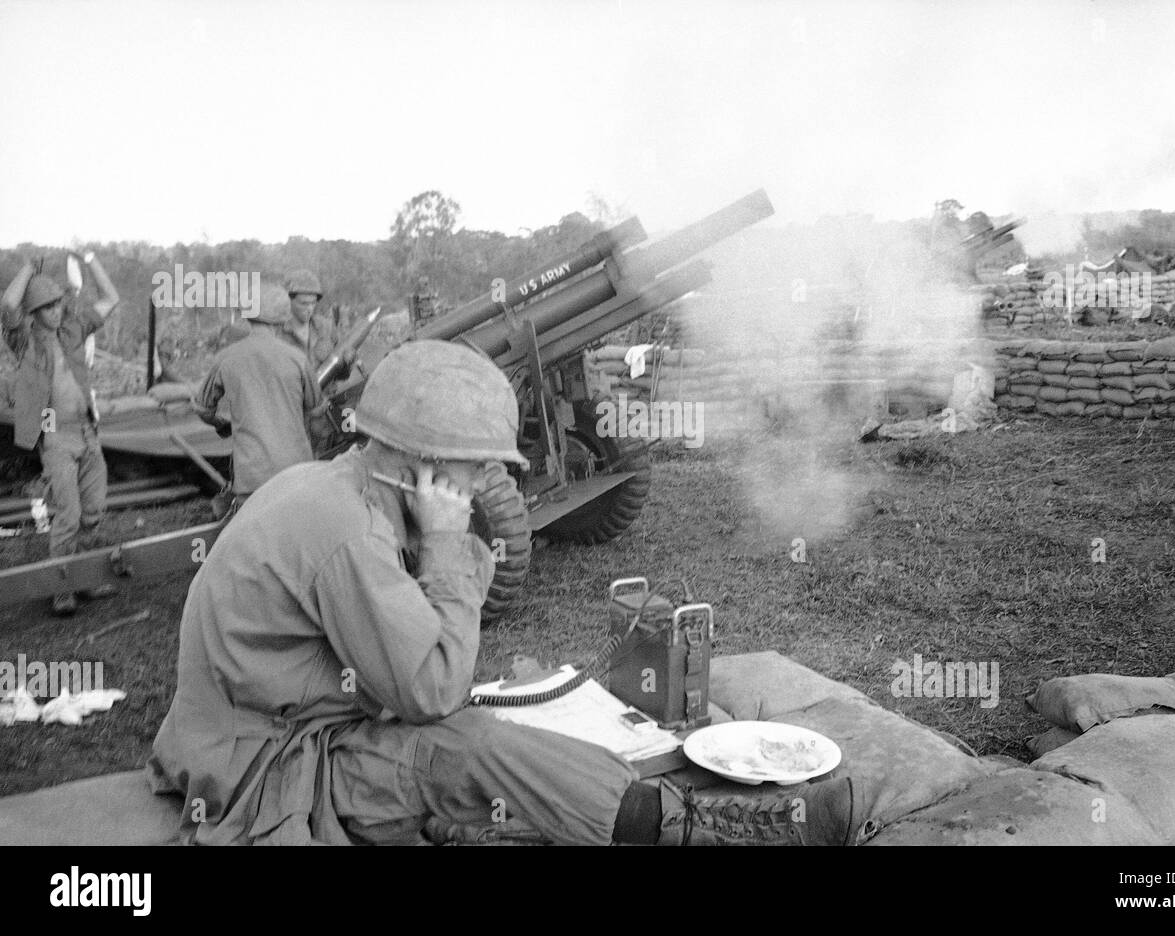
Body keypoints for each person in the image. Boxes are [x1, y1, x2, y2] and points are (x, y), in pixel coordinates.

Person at [147, 339, 869, 845]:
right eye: (472, 469)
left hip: (279, 727)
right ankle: (699, 832)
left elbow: (421, 649)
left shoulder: (340, 489)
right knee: (473, 749)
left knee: (495, 738)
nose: (481, 486)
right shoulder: (350, 531)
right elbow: (434, 689)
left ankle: (657, 812)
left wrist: (449, 551)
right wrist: (444, 545)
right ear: (424, 464)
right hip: (263, 771)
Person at [1, 254, 120, 615]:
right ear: (33, 312)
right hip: (55, 434)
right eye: (45, 306)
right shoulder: (24, 340)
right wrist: (28, 270)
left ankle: (81, 579)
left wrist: (90, 258)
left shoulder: (72, 329)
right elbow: (8, 304)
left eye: (57, 303)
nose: (54, 311)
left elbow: (111, 299)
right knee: (68, 514)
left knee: (93, 511)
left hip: (88, 431)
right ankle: (60, 588)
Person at [193, 285, 325, 509]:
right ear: (284, 320)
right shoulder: (297, 359)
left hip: (251, 478)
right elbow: (317, 415)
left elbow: (203, 409)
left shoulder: (226, 358)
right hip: (296, 473)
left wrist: (222, 424)